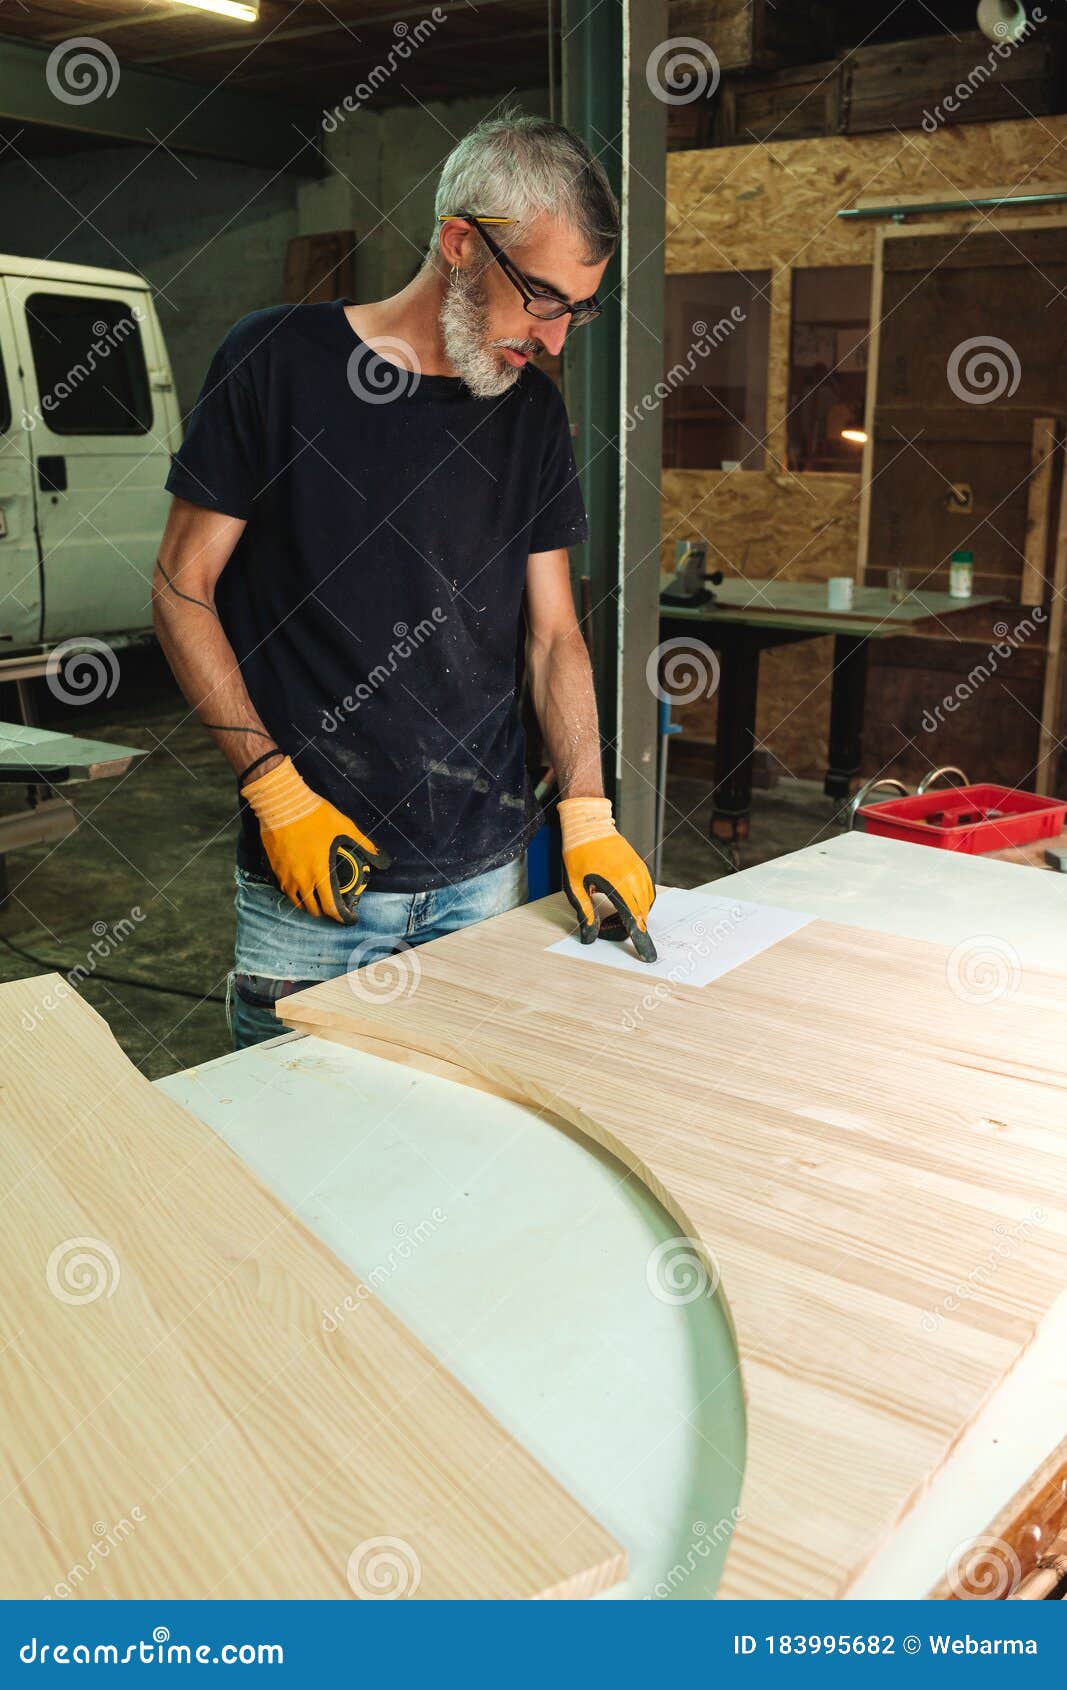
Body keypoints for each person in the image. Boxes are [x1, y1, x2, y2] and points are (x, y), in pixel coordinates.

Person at [153, 111, 656, 1050]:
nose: (554, 341)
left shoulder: (530, 419)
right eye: (543, 300)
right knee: (288, 1169)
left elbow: (553, 636)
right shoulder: (275, 364)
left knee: (453, 1169)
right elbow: (183, 587)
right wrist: (275, 791)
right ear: (460, 244)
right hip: (315, 893)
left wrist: (586, 808)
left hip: (484, 882)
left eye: (576, 312)